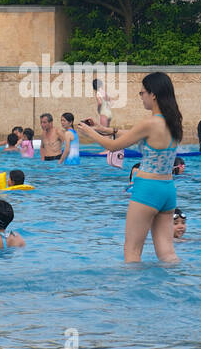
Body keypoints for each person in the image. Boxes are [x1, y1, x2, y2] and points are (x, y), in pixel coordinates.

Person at [77, 72, 184, 263]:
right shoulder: (174, 122)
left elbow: (112, 146)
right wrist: (108, 130)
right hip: (168, 190)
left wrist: (88, 132)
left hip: (147, 190)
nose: (141, 96)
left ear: (153, 94)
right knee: (167, 253)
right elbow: (139, 135)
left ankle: (132, 291)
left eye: (142, 92)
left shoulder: (150, 123)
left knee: (132, 251)